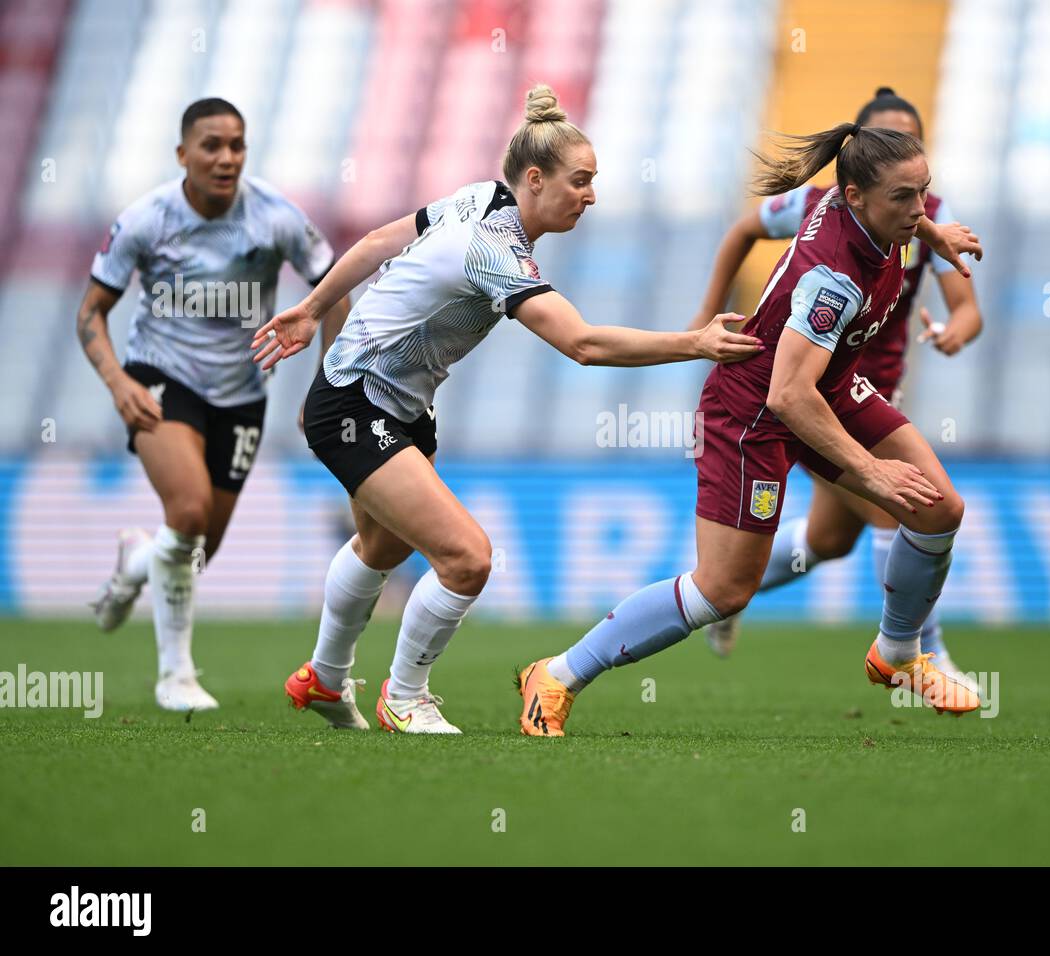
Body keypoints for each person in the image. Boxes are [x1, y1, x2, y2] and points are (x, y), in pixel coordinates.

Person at [258, 85, 762, 734]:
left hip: (397, 403)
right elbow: (580, 344)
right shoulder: (496, 247)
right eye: (580, 181)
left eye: (594, 182)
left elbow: (382, 241)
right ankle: (404, 697)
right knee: (467, 559)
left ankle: (325, 679)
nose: (591, 195)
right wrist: (695, 343)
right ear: (534, 179)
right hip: (356, 402)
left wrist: (314, 308)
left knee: (382, 544)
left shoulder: (479, 196)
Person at [518, 121, 984, 736]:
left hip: (829, 388)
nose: (917, 208)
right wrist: (870, 472)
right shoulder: (833, 280)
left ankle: (897, 652)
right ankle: (556, 675)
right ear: (855, 197)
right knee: (721, 590)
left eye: (923, 193)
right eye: (904, 198)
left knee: (938, 508)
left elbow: (811, 376)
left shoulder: (846, 206)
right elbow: (788, 394)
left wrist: (933, 231)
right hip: (754, 413)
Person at [691, 88, 983, 674]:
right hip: (811, 392)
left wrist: (957, 331)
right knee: (897, 505)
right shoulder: (818, 206)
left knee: (828, 541)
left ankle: (723, 601)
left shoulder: (927, 212)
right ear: (860, 168)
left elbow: (967, 304)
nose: (914, 199)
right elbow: (743, 230)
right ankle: (919, 653)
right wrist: (705, 315)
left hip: (869, 389)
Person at [83, 97, 346, 711]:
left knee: (197, 550)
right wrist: (120, 383)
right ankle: (175, 675)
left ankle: (138, 559)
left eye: (236, 145)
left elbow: (332, 293)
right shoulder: (146, 220)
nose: (226, 158)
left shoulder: (276, 217)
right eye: (211, 146)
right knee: (191, 507)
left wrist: (324, 382)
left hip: (242, 394)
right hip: (160, 378)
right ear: (183, 154)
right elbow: (89, 312)